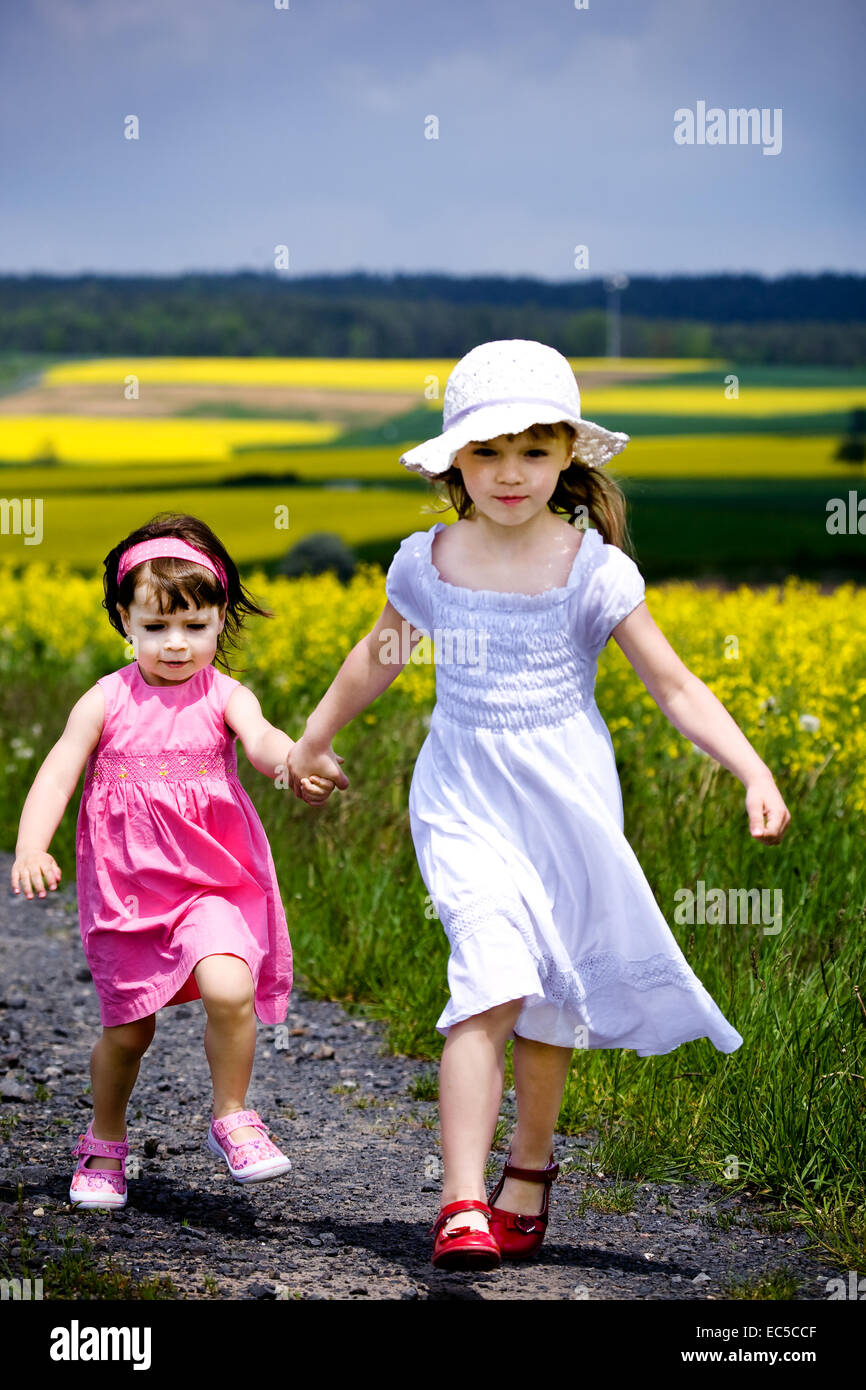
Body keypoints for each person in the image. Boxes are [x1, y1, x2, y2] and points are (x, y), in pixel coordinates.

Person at [283, 339, 791, 1271]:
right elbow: (378, 656)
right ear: (453, 466)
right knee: (488, 980)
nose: (509, 474)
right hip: (463, 801)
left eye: (532, 451)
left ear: (568, 459)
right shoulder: (426, 562)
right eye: (487, 453)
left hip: (568, 807)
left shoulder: (594, 570)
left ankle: (530, 1169)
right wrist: (313, 740)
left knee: (552, 1001)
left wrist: (754, 770)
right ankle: (462, 1202)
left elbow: (675, 687)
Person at [11, 512, 334, 1209]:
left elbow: (265, 741)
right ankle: (104, 1139)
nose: (176, 644)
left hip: (212, 883)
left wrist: (296, 766)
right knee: (128, 1034)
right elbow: (59, 771)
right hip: (127, 896)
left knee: (229, 986)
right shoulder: (105, 699)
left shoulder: (225, 695)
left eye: (195, 625)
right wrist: (32, 843)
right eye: (156, 628)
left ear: (221, 621)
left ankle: (233, 1116)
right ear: (124, 622)